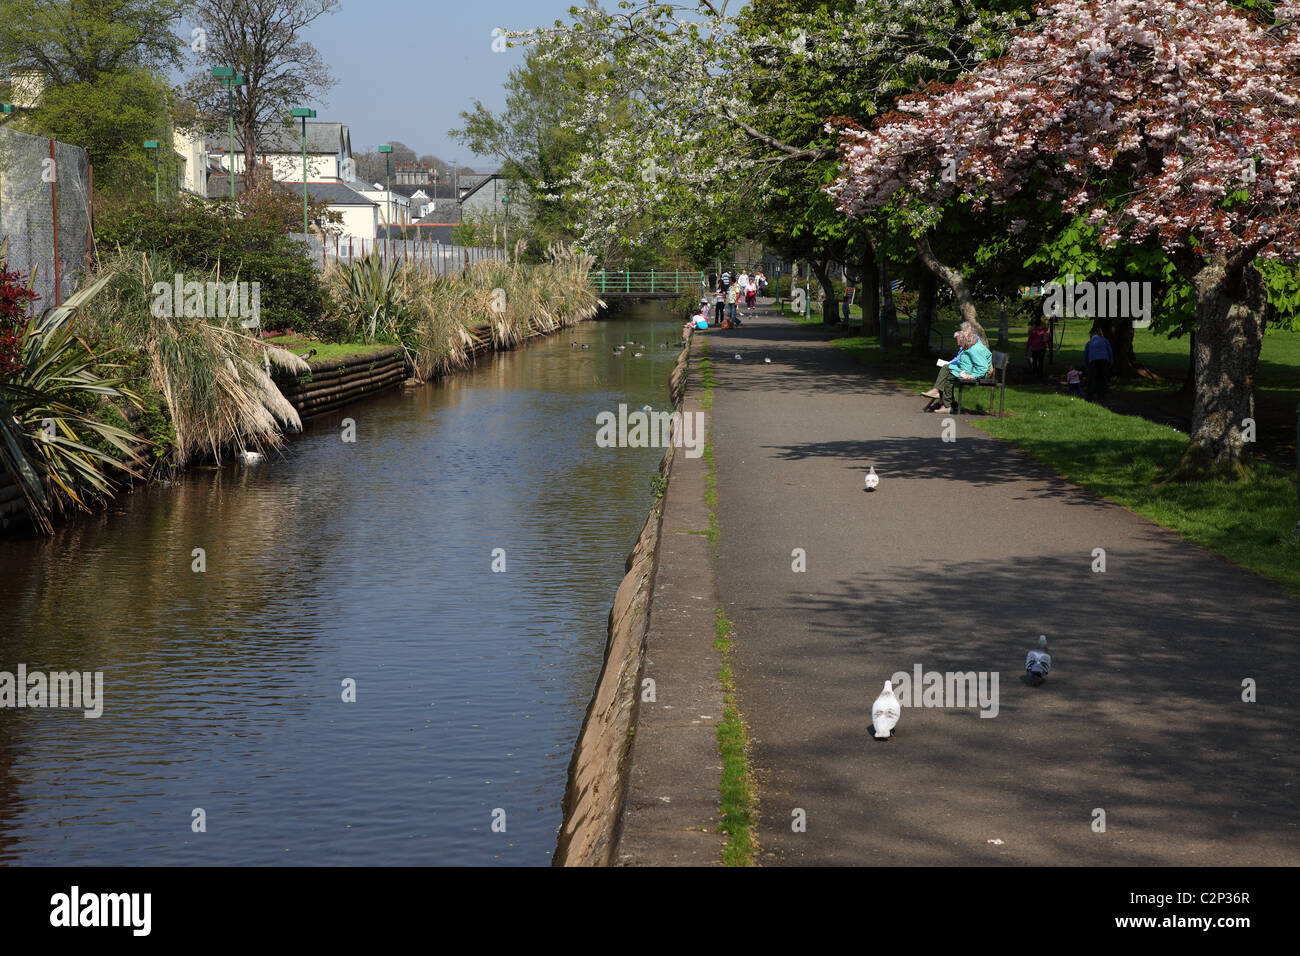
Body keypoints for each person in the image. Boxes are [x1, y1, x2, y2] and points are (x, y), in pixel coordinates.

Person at [922, 322, 991, 413]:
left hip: (975, 373)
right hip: (968, 369)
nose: (958, 345)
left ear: (966, 340)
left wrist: (972, 376)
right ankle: (940, 395)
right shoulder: (969, 346)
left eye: (959, 342)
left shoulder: (975, 349)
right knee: (946, 367)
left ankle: (947, 405)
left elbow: (983, 368)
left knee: (949, 376)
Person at [1084, 327, 1113, 401]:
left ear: (1091, 336)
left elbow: (1086, 356)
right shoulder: (1105, 340)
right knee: (1103, 378)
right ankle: (1102, 396)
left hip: (1093, 361)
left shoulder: (1089, 343)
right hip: (1104, 360)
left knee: (1092, 379)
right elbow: (1110, 351)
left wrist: (1086, 366)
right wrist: (1110, 362)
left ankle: (1089, 397)